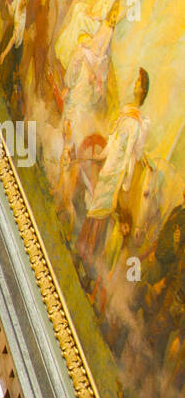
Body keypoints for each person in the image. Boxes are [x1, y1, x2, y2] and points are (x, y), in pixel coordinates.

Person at [76, 68, 151, 266]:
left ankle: (88, 255)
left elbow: (130, 154)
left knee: (101, 213)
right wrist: (101, 155)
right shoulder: (127, 112)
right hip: (109, 167)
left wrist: (123, 183)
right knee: (94, 207)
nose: (135, 85)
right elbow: (113, 139)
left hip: (117, 173)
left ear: (142, 91)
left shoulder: (138, 123)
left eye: (138, 84)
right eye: (136, 82)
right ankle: (81, 248)